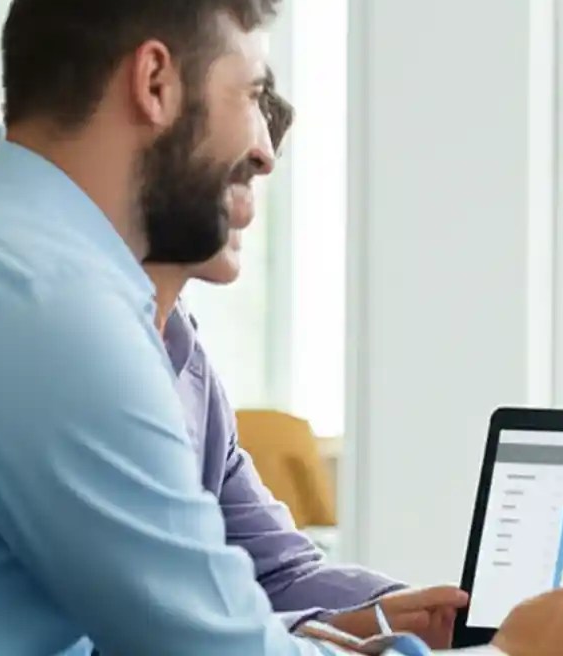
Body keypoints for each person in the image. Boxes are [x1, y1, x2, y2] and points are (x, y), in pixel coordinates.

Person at [0, 0, 563, 654]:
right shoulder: (55, 312)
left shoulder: (20, 265)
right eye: (250, 95)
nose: (265, 148)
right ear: (154, 82)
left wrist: (366, 628)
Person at [140, 83, 469, 650]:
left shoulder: (188, 359)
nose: (260, 173)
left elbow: (277, 573)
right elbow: (171, 630)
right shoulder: (71, 351)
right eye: (241, 172)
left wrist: (396, 613)